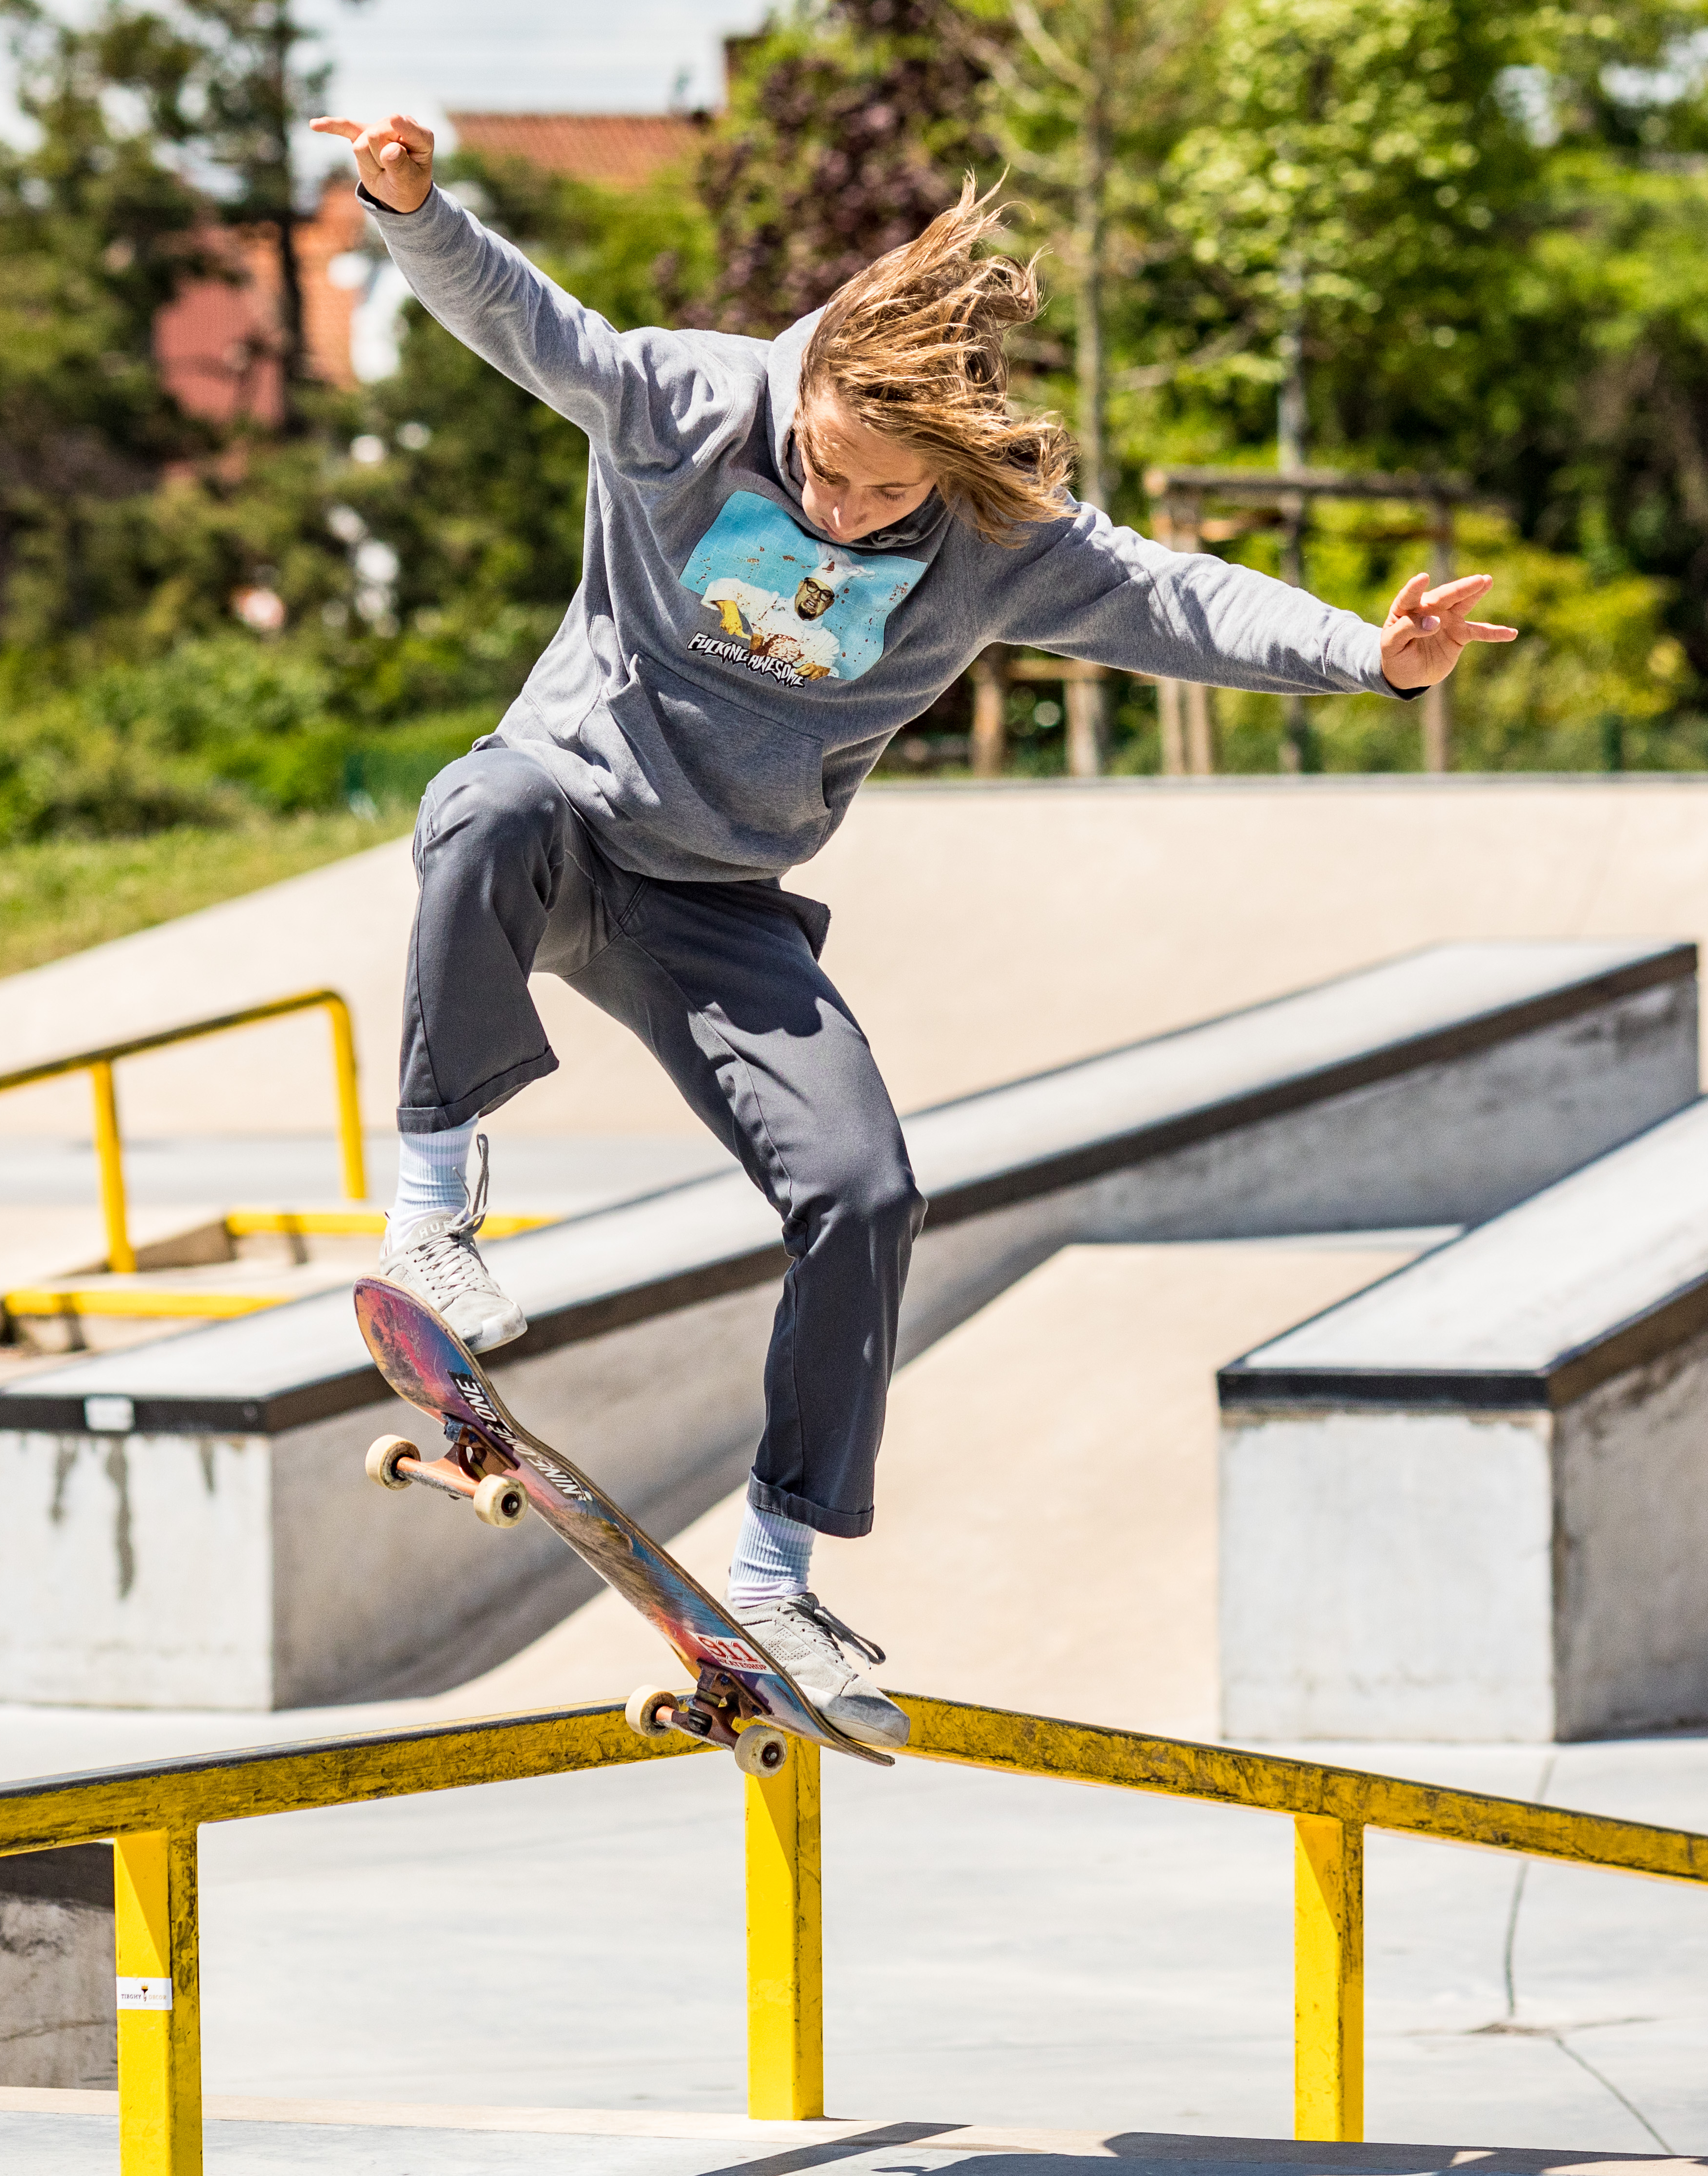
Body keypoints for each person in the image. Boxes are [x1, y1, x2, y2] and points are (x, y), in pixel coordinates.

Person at [311, 108, 1516, 1749]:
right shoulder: (683, 403)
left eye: (887, 494)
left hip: (717, 905)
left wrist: (1369, 659)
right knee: (483, 807)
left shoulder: (1004, 546)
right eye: (823, 467)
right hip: (572, 822)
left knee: (866, 1192)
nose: (843, 509)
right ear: (799, 392)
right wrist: (412, 209)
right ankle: (434, 1214)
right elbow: (529, 325)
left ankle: (780, 1571)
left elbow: (1177, 598)